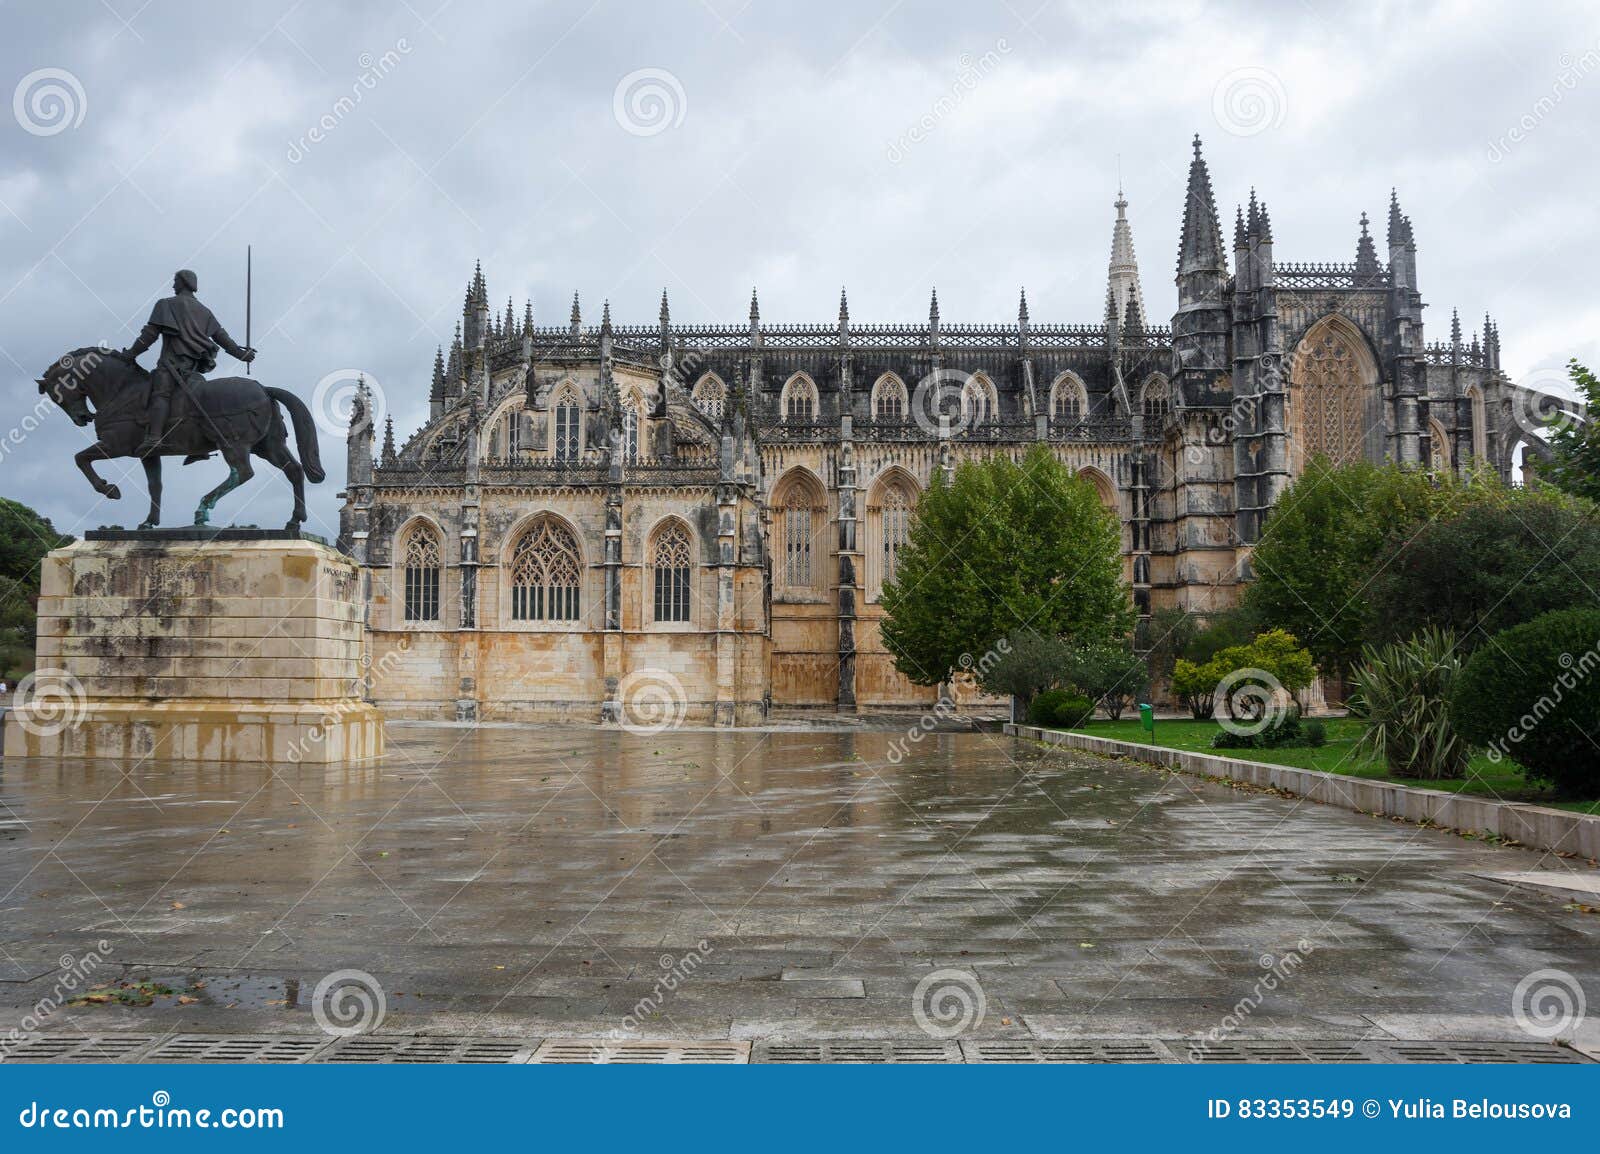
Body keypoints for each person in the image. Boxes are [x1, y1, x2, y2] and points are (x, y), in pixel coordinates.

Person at [121, 269, 255, 456]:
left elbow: (149, 335)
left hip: (171, 367)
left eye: (175, 281)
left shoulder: (166, 304)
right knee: (195, 402)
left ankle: (154, 438)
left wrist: (131, 354)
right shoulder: (205, 311)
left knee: (160, 395)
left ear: (184, 282)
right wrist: (240, 354)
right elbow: (221, 337)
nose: (173, 285)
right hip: (193, 372)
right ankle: (197, 447)